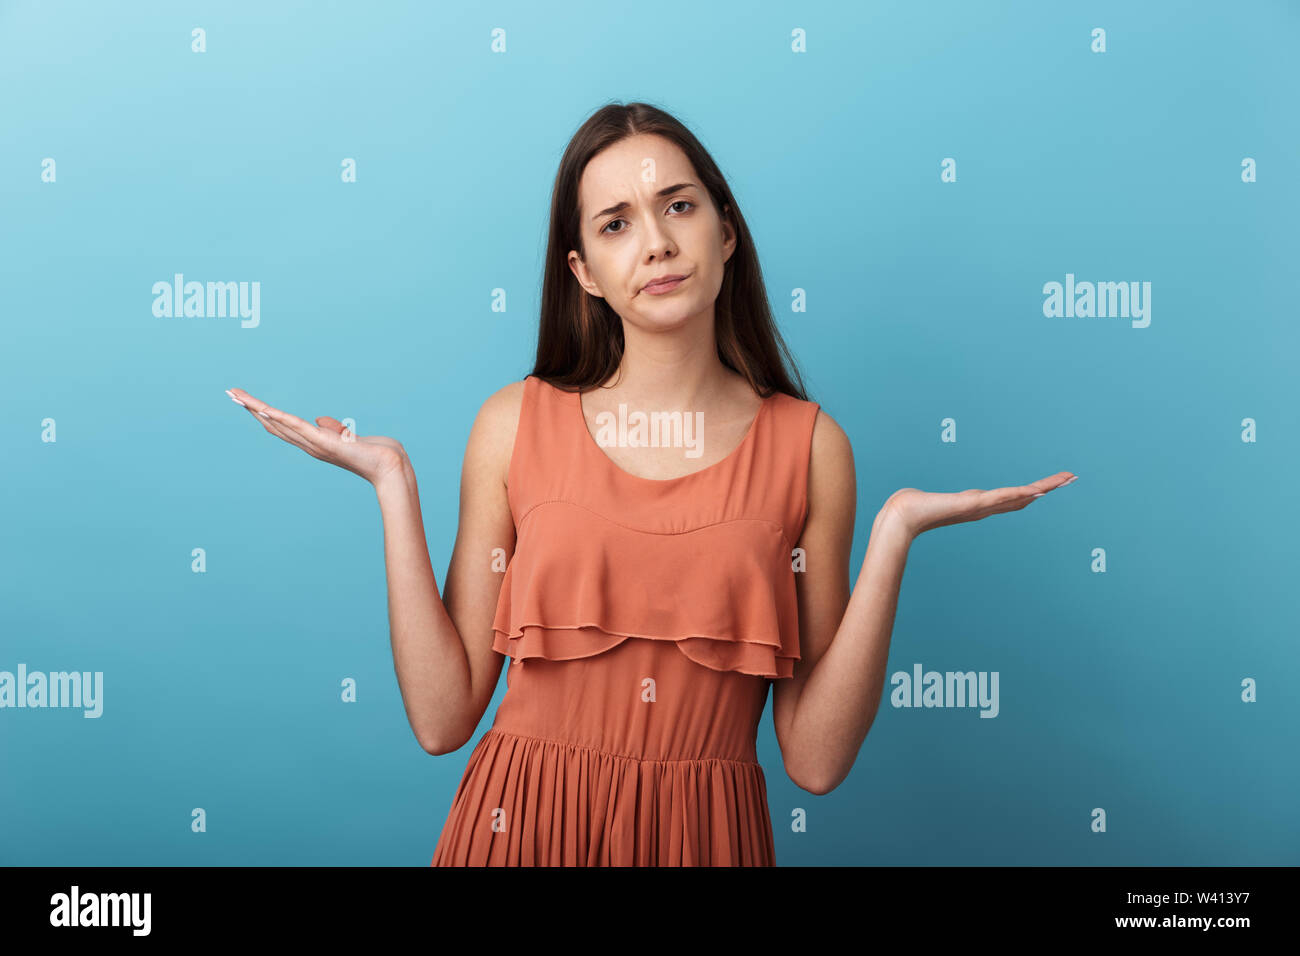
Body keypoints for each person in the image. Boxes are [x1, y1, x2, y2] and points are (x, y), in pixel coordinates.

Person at [225, 101, 1074, 866]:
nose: (658, 243)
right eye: (616, 224)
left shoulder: (811, 449)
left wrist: (893, 535)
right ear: (584, 271)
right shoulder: (513, 425)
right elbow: (444, 719)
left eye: (678, 206)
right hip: (516, 832)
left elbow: (815, 763)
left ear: (726, 230)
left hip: (706, 839)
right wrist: (391, 482)